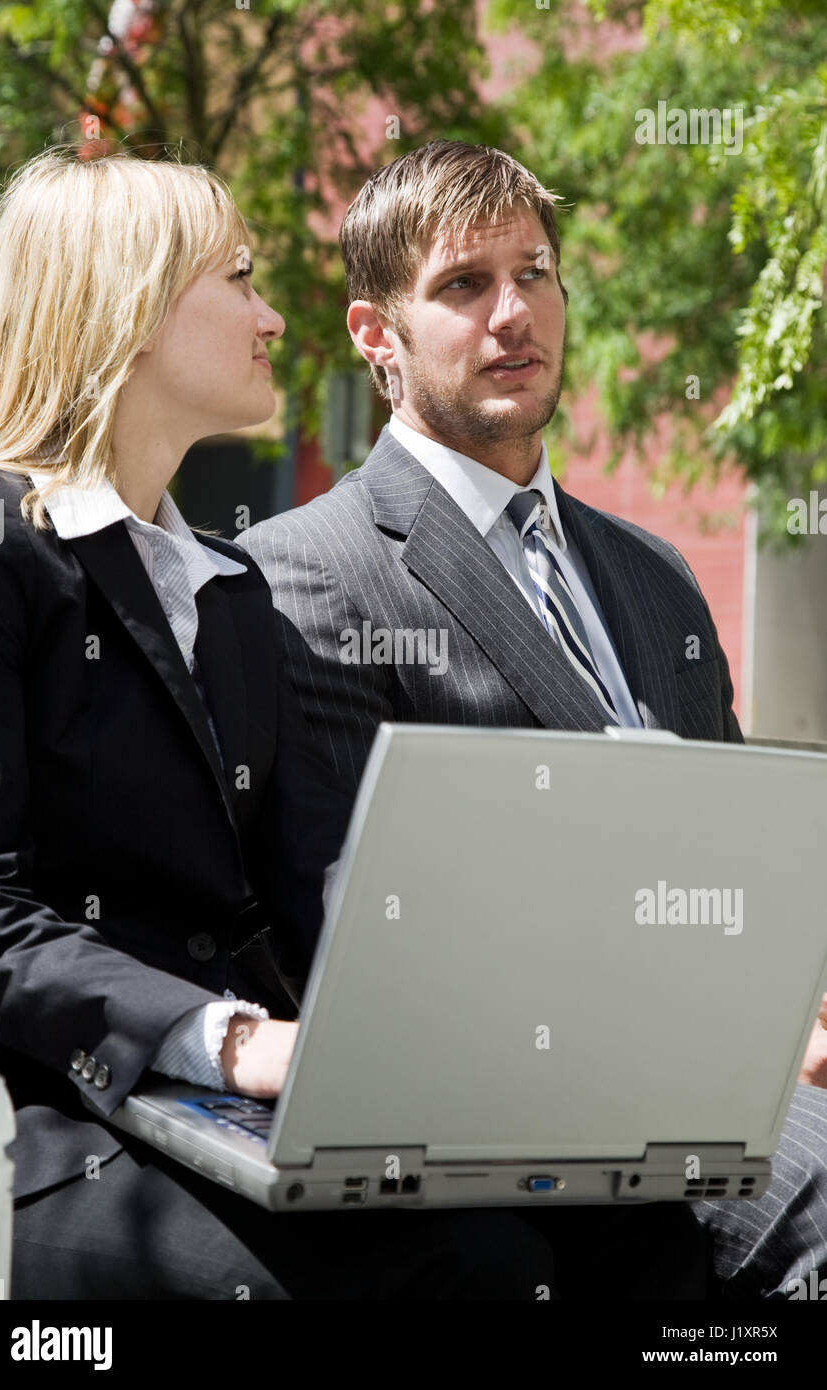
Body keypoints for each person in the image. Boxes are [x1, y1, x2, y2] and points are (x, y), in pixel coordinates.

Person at [0, 145, 562, 1300]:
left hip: (230, 1117)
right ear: (126, 307)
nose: (274, 316)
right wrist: (226, 1039)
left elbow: (310, 883)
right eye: (238, 277)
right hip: (38, 1125)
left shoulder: (229, 590)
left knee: (563, 1247)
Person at [241, 139, 827, 1300]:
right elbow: (359, 949)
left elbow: (727, 857)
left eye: (536, 273)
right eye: (463, 284)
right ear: (375, 335)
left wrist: (788, 1003)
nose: (513, 313)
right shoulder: (300, 576)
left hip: (726, 1081)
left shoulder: (654, 576)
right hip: (519, 1128)